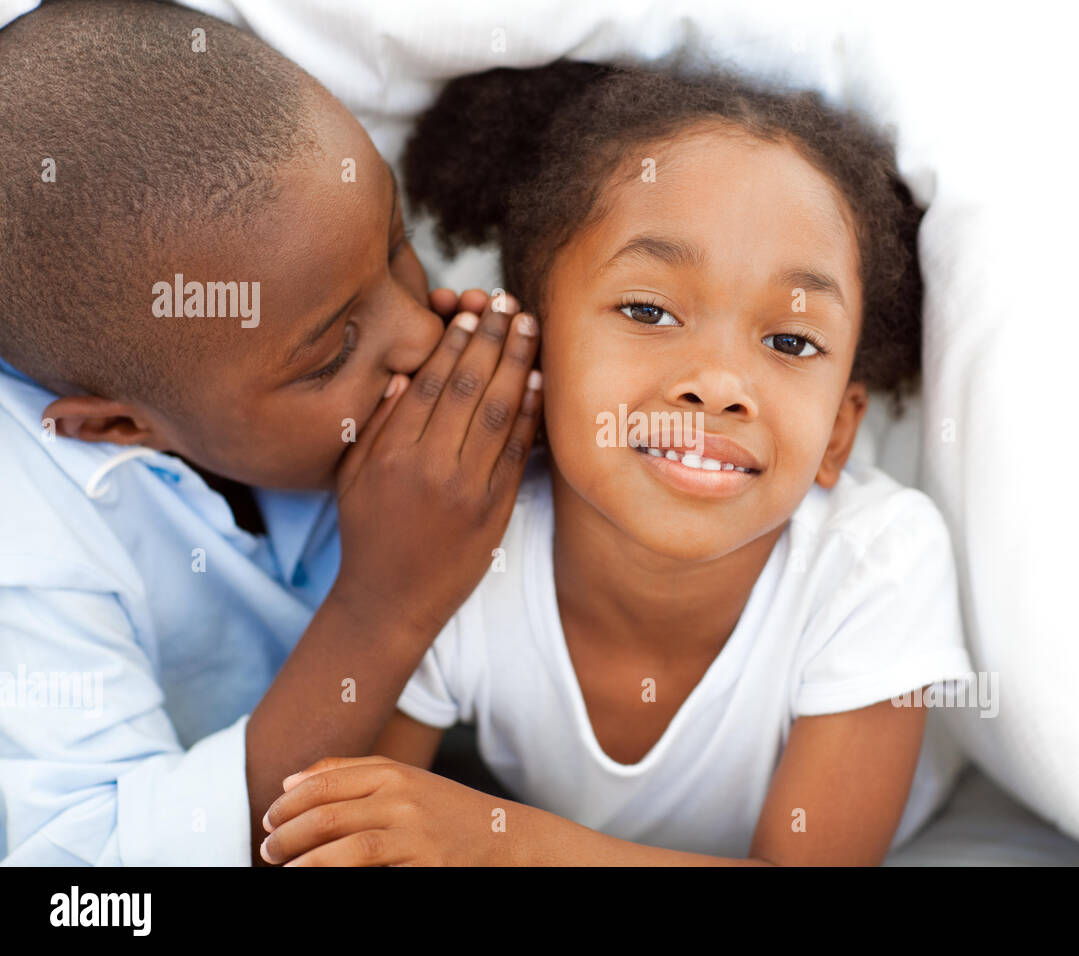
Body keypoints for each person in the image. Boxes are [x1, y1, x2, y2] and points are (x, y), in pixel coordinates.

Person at [261, 61, 973, 866]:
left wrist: (504, 845)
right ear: (533, 348)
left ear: (840, 434)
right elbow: (341, 823)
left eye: (790, 342)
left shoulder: (875, 562)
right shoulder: (466, 541)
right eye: (647, 309)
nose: (718, 385)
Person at [0, 0, 540, 865]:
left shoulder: (299, 269)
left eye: (397, 249)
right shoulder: (24, 550)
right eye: (333, 355)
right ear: (119, 426)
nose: (417, 334)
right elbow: (94, 879)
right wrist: (386, 606)